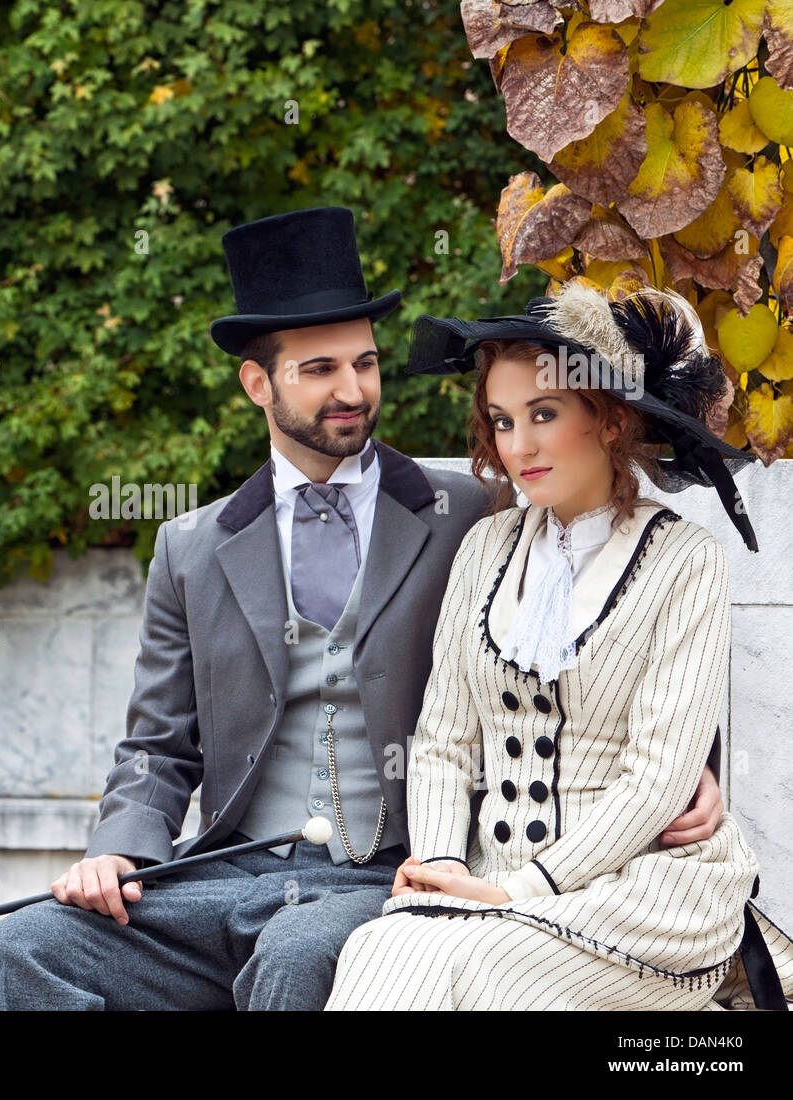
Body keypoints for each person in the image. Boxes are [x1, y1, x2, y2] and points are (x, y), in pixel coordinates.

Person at [0, 208, 723, 1011]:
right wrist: (116, 852)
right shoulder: (189, 547)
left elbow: (599, 613)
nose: (353, 390)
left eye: (364, 363)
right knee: (20, 948)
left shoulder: (473, 514)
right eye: (319, 368)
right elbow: (156, 746)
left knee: (297, 956)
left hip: (381, 874)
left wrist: (692, 763)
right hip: (223, 873)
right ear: (259, 384)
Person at [326, 282, 793, 1011]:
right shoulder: (486, 549)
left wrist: (515, 890)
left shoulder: (684, 560)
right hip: (491, 875)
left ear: (608, 420)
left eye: (544, 414)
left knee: (482, 968)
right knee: (379, 946)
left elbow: (657, 777)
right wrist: (444, 868)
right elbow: (445, 740)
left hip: (641, 891)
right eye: (503, 420)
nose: (519, 446)